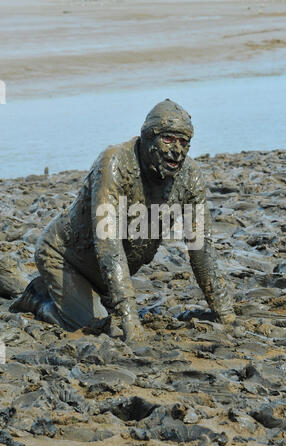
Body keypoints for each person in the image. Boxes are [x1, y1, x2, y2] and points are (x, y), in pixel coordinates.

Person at [10, 99, 234, 342]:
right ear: (148, 137)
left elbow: (200, 246)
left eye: (184, 142)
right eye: (168, 139)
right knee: (92, 324)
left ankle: (81, 296)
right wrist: (130, 318)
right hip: (64, 256)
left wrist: (224, 311)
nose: (177, 150)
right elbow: (108, 243)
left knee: (102, 312)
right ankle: (37, 298)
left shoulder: (190, 177)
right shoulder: (114, 163)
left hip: (106, 276)